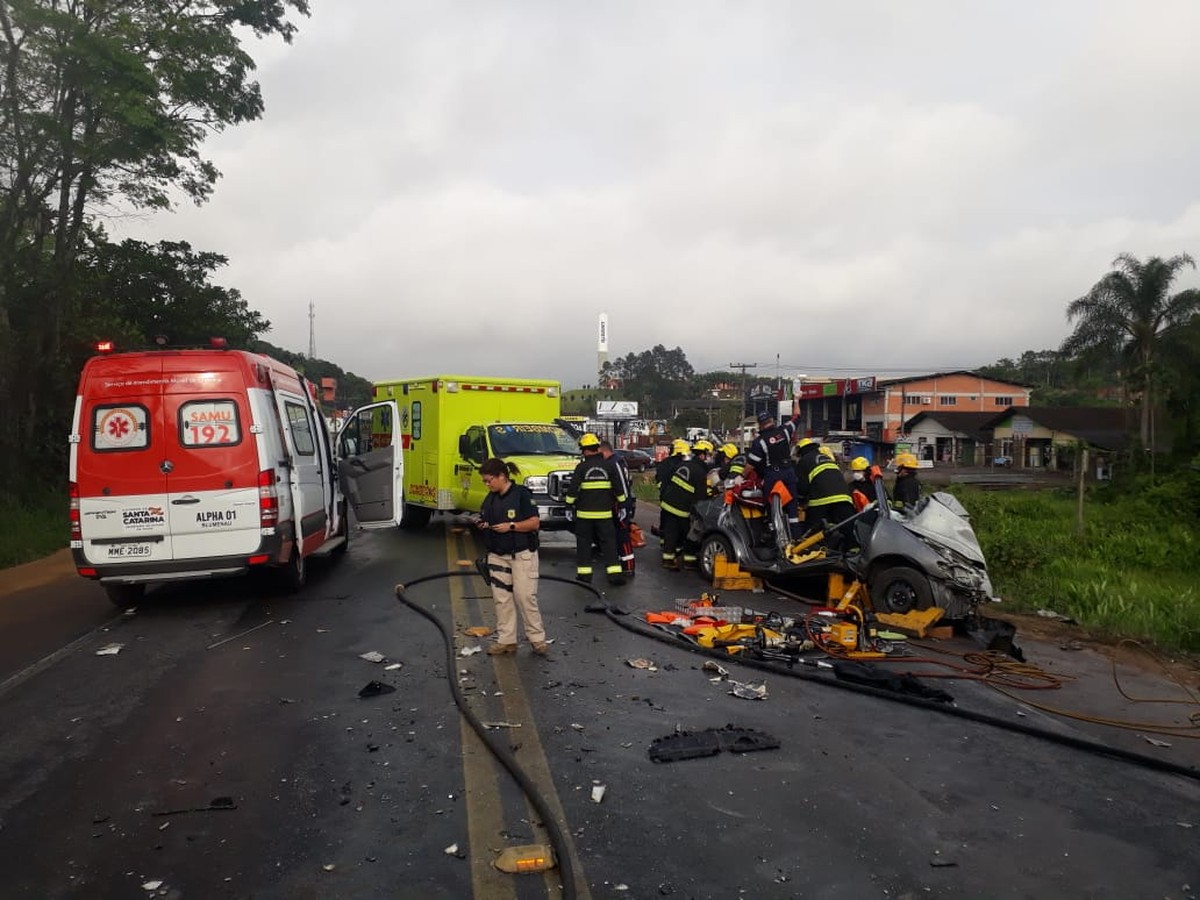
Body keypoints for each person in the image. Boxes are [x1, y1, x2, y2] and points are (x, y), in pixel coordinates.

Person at [475, 458, 547, 657]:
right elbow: (484, 516)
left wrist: (511, 526)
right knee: (502, 599)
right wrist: (482, 523)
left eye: (489, 480)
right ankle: (507, 641)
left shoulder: (522, 495)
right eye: (485, 482)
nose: (487, 484)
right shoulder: (490, 498)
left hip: (521, 554)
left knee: (525, 598)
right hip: (497, 555)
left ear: (501, 476)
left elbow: (534, 523)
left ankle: (537, 639)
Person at [564, 433, 627, 585]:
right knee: (609, 544)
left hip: (584, 516)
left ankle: (584, 576)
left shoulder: (581, 467)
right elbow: (619, 488)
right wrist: (623, 506)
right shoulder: (609, 466)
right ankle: (614, 575)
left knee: (584, 545)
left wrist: (568, 506)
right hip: (604, 515)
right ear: (597, 448)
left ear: (584, 450)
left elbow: (573, 490)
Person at [747, 400, 802, 537]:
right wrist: (796, 400)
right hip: (788, 472)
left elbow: (750, 465)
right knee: (792, 508)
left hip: (772, 474)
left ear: (760, 424)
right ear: (772, 420)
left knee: (770, 507)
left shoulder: (759, 441)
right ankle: (796, 538)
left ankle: (773, 538)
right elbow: (797, 416)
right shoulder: (784, 430)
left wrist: (740, 477)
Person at [658, 438, 710, 570]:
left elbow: (668, 480)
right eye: (708, 455)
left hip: (668, 503)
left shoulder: (684, 465)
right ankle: (689, 562)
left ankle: (668, 560)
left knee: (670, 532)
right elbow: (701, 496)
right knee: (689, 535)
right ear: (703, 454)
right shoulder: (700, 471)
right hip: (682, 508)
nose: (709, 458)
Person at [797, 443, 855, 540]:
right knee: (847, 528)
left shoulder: (804, 460)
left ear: (802, 451)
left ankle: (813, 550)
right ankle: (852, 550)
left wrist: (801, 501)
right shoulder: (827, 458)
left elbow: (802, 486)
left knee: (812, 532)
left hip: (821, 499)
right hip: (844, 497)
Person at [599, 440, 636, 577]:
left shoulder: (614, 463)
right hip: (617, 504)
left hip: (620, 505)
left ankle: (628, 567)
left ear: (603, 451)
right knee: (616, 536)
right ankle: (621, 564)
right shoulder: (618, 462)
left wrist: (623, 506)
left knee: (623, 536)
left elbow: (623, 486)